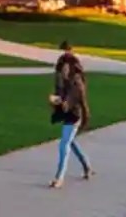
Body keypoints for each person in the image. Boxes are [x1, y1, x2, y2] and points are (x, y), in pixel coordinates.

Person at [49, 55, 93, 188]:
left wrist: (60, 102)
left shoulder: (77, 84)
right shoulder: (63, 81)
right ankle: (86, 166)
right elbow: (62, 99)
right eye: (62, 69)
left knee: (64, 145)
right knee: (71, 142)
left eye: (65, 68)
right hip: (67, 115)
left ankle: (59, 177)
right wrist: (55, 100)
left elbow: (72, 103)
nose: (63, 71)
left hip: (74, 117)